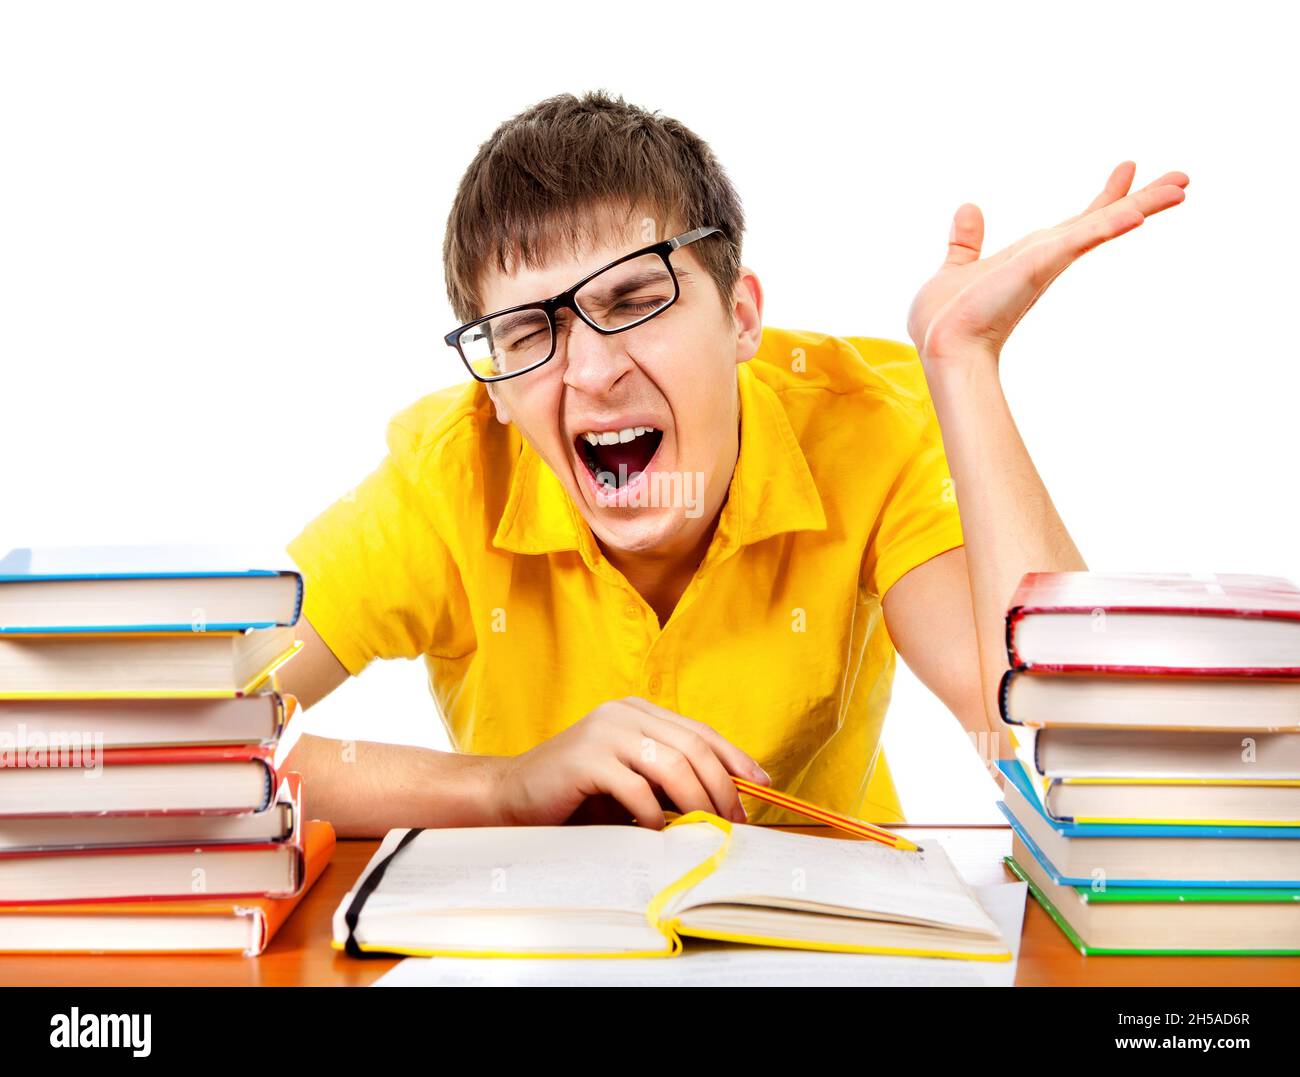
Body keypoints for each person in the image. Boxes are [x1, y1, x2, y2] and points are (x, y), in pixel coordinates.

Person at [278, 90, 1188, 837]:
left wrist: (966, 364)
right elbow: (177, 741)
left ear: (741, 318)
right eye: (529, 332)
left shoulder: (867, 426)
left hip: (823, 953)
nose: (591, 371)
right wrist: (505, 789)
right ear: (499, 387)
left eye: (634, 297)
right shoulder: (447, 477)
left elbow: (1063, 738)